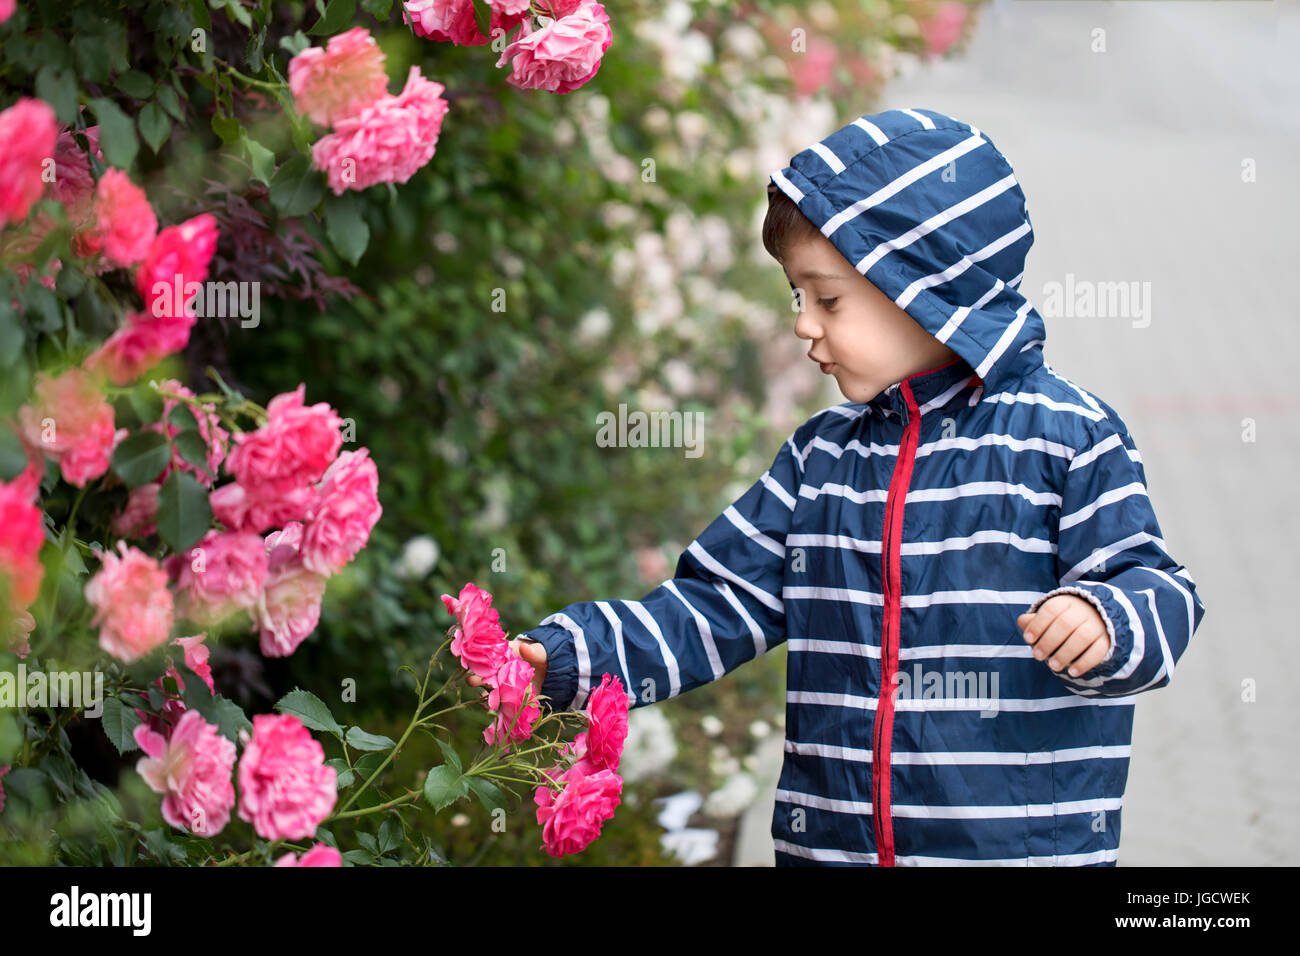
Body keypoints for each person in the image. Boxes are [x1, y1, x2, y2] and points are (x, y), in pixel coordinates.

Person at [475, 107, 1206, 866]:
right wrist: (580, 654)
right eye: (799, 298)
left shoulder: (1067, 438)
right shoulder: (819, 461)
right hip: (832, 850)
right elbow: (714, 605)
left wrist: (1107, 618)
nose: (803, 325)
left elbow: (1158, 588)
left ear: (929, 289)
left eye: (828, 299)